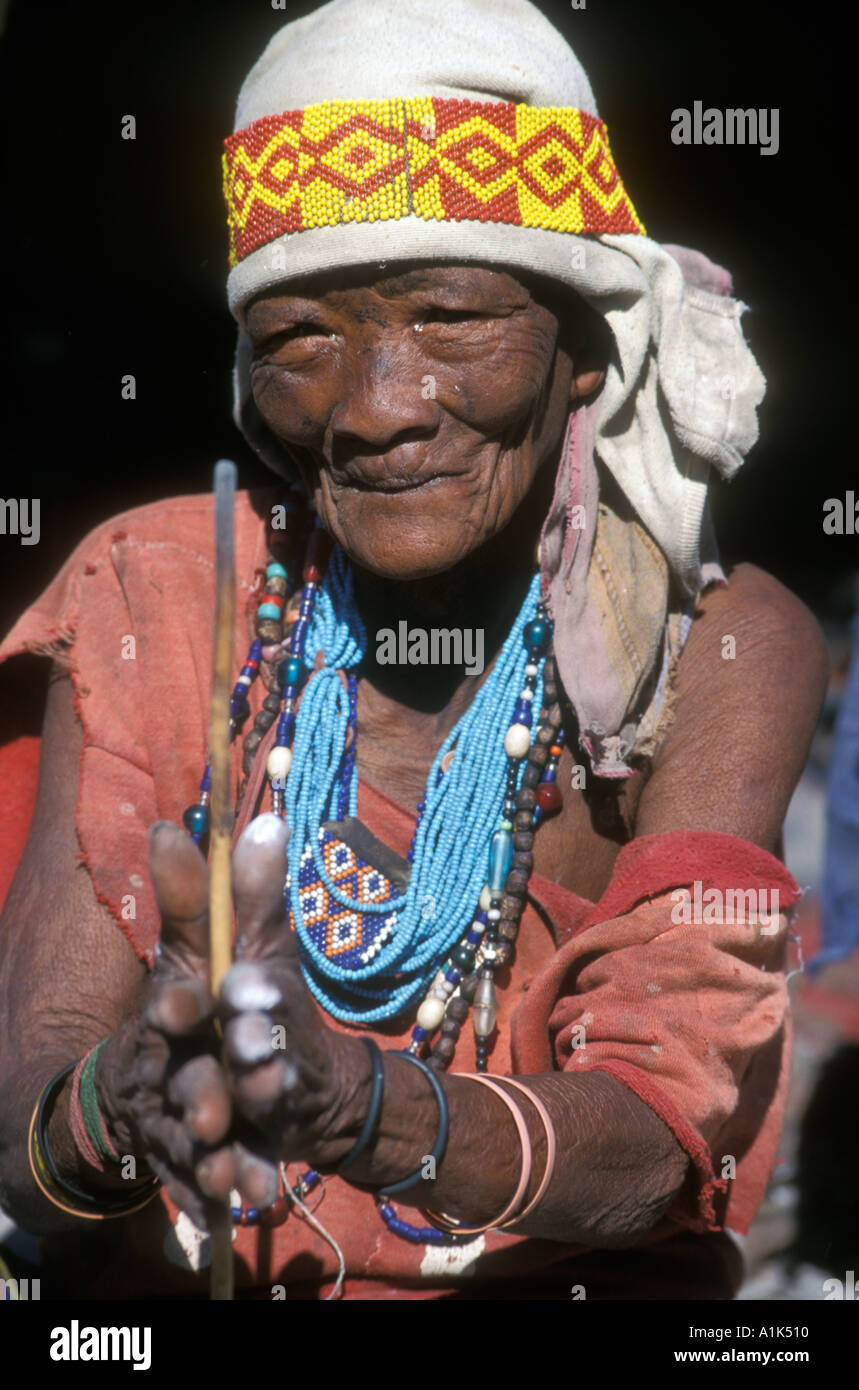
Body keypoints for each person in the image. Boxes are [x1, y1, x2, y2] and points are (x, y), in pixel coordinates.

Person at [0, 0, 828, 1300]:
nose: (380, 408)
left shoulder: (717, 643)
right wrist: (122, 1096)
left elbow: (658, 1146)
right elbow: (24, 1137)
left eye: (449, 317)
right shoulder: (158, 589)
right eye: (300, 343)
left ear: (579, 353)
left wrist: (361, 1110)